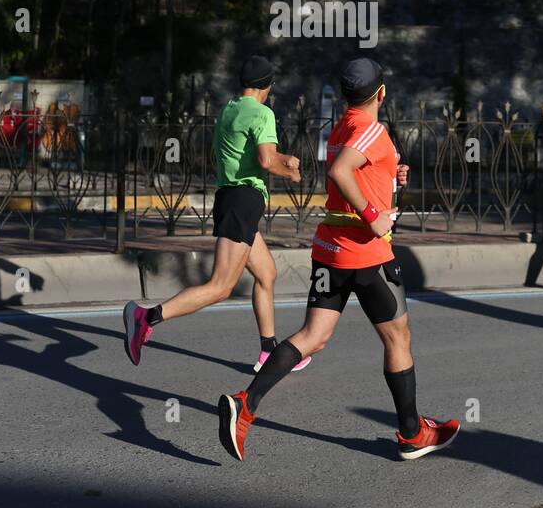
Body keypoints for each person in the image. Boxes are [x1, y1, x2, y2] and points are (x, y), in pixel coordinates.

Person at [217, 56, 460, 462]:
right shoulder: (371, 128)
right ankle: (412, 434)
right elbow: (343, 171)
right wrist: (372, 214)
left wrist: (391, 174)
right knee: (397, 337)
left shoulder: (343, 125)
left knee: (313, 336)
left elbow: (357, 166)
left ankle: (245, 404)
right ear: (381, 93)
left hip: (329, 250)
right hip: (367, 255)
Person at [122, 56, 310, 373]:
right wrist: (289, 172)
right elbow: (265, 161)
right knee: (221, 286)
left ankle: (268, 353)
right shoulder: (264, 113)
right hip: (244, 200)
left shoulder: (230, 109)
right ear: (269, 87)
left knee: (267, 274)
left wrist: (284, 157)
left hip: (229, 197)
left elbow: (246, 152)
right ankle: (146, 317)